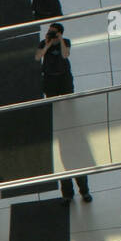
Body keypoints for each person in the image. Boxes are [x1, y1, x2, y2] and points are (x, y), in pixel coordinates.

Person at [36, 23, 91, 203]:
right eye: (50, 31)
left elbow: (66, 54)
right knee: (63, 164)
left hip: (64, 79)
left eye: (54, 31)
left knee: (76, 162)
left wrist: (59, 41)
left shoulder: (65, 42)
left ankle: (84, 191)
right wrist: (48, 44)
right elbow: (38, 57)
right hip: (50, 81)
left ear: (60, 33)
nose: (50, 33)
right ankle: (67, 194)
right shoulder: (44, 43)